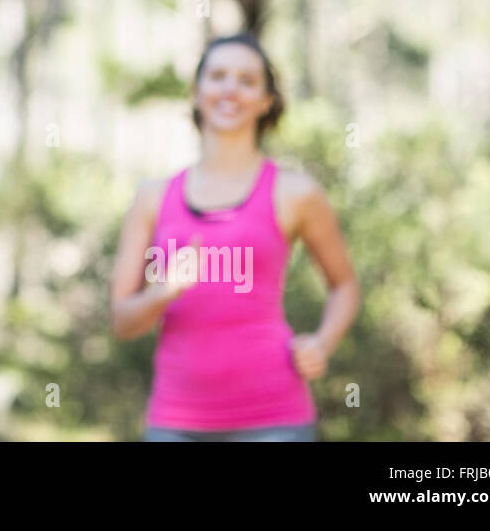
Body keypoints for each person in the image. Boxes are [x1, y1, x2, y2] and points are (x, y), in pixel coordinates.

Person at [110, 33, 359, 441]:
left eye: (247, 81)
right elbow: (122, 322)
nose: (230, 89)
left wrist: (322, 342)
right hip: (175, 422)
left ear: (266, 100)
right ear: (196, 91)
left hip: (275, 422)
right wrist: (163, 292)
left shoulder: (295, 192)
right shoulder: (153, 196)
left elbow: (344, 284)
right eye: (218, 76)